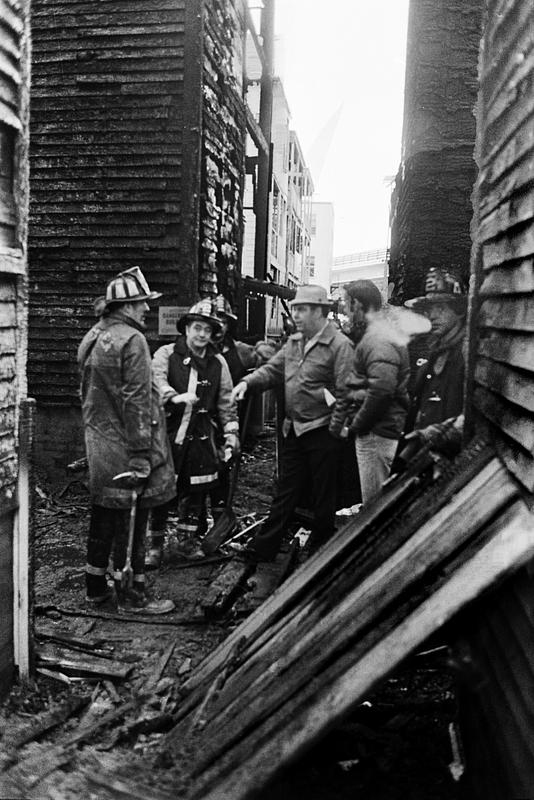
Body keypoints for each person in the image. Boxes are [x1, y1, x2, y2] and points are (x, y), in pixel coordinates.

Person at [78, 266, 176, 614]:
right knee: (132, 518)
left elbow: (95, 395)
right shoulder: (132, 341)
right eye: (140, 304)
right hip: (125, 445)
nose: (146, 310)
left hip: (100, 443)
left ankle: (95, 588)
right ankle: (132, 595)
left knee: (103, 514)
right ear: (124, 307)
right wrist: (140, 454)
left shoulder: (93, 336)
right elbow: (136, 403)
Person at [232, 284, 354, 561]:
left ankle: (320, 552)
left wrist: (335, 429)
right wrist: (247, 383)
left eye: (303, 309)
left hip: (323, 430)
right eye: (296, 309)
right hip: (295, 429)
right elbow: (272, 370)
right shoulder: (295, 343)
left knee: (324, 495)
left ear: (321, 312)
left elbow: (348, 391)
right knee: (287, 490)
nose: (296, 315)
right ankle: (264, 547)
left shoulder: (339, 346)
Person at [147, 299, 239, 566]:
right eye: (197, 328)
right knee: (162, 491)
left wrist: (231, 434)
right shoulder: (166, 354)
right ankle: (153, 546)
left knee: (195, 491)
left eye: (207, 330)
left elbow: (226, 402)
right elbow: (156, 380)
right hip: (169, 434)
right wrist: (173, 397)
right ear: (186, 328)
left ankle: (185, 543)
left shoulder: (218, 362)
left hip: (202, 437)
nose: (201, 334)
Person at [331, 280, 429, 504]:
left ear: (358, 304)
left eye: (347, 304)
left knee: (373, 508)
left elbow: (382, 390)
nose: (345, 311)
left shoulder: (377, 338)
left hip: (376, 434)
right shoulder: (379, 334)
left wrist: (356, 426)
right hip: (381, 430)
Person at [399, 268, 467, 461]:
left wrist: (433, 434)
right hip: (427, 458)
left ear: (459, 311)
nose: (432, 316)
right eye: (429, 309)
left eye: (441, 308)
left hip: (455, 462)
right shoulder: (434, 351)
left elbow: (475, 416)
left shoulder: (468, 353)